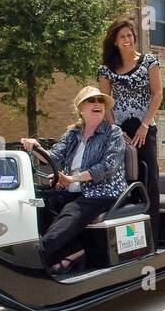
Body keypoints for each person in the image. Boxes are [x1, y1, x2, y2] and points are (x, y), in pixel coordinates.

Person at [20, 86, 125, 273]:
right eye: (91, 101)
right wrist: (36, 146)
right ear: (81, 108)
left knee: (71, 210)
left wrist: (72, 178)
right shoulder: (73, 134)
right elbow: (53, 157)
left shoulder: (113, 132)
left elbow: (107, 167)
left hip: (103, 192)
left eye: (100, 101)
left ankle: (35, 259)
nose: (97, 104)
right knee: (39, 201)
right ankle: (74, 250)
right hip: (73, 188)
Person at [97, 18, 163, 239]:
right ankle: (129, 233)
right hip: (120, 130)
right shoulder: (106, 69)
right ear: (115, 42)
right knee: (123, 178)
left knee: (149, 177)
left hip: (144, 127)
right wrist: (115, 129)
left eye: (130, 35)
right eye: (122, 36)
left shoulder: (149, 61)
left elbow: (157, 94)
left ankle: (153, 233)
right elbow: (105, 101)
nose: (127, 39)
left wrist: (145, 125)